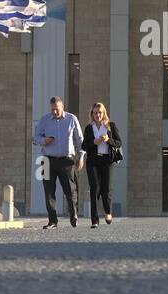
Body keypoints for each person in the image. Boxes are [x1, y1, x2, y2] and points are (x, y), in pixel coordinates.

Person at [34, 96, 85, 229]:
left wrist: (81, 157)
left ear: (62, 107)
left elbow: (79, 140)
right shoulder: (44, 120)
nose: (55, 112)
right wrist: (44, 140)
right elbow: (36, 137)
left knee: (70, 190)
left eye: (57, 109)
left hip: (66, 160)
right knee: (49, 191)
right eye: (52, 110)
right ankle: (52, 221)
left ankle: (73, 215)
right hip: (47, 159)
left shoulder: (71, 119)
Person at [82, 102, 122, 228]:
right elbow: (84, 145)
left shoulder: (110, 126)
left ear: (104, 113)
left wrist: (108, 140)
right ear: (92, 114)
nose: (98, 115)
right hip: (93, 161)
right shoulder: (89, 128)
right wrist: (94, 142)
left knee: (106, 189)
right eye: (95, 113)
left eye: (100, 112)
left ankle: (108, 211)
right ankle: (94, 220)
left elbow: (119, 143)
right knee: (94, 189)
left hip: (107, 161)